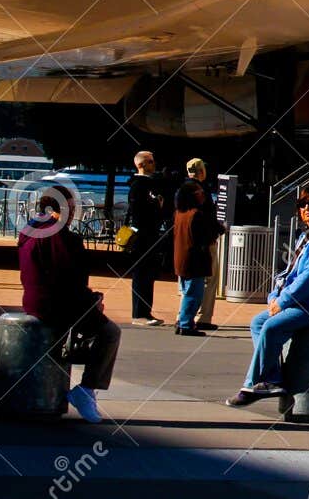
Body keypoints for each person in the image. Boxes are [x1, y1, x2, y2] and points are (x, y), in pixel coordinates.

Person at [226, 183, 309, 406]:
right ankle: (273, 378)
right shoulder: (307, 237)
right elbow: (288, 273)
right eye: (302, 204)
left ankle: (254, 383)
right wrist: (274, 297)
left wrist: (284, 301)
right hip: (304, 303)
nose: (307, 209)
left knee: (272, 327)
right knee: (259, 322)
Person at [17, 184, 119, 423]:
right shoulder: (60, 237)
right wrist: (93, 301)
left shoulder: (30, 231)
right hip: (57, 304)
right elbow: (69, 280)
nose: (73, 214)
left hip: (34, 300)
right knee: (110, 332)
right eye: (70, 209)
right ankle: (86, 388)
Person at [124, 150, 168, 326]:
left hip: (150, 236)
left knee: (148, 275)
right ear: (141, 165)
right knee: (141, 275)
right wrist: (156, 205)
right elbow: (138, 211)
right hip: (142, 237)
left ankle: (146, 311)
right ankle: (139, 314)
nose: (154, 164)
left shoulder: (149, 184)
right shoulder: (138, 186)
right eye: (150, 161)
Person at [171, 179, 221, 336]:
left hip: (182, 259)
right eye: (200, 193)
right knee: (194, 294)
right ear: (193, 196)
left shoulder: (179, 213)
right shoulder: (196, 215)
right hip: (194, 261)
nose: (203, 195)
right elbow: (203, 238)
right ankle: (186, 323)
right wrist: (217, 231)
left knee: (188, 292)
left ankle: (184, 321)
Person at [186, 158, 223, 329]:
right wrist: (218, 230)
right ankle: (204, 317)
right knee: (209, 279)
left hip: (187, 242)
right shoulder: (203, 191)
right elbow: (207, 217)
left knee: (187, 279)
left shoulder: (182, 190)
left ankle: (185, 315)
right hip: (205, 242)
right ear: (202, 172)